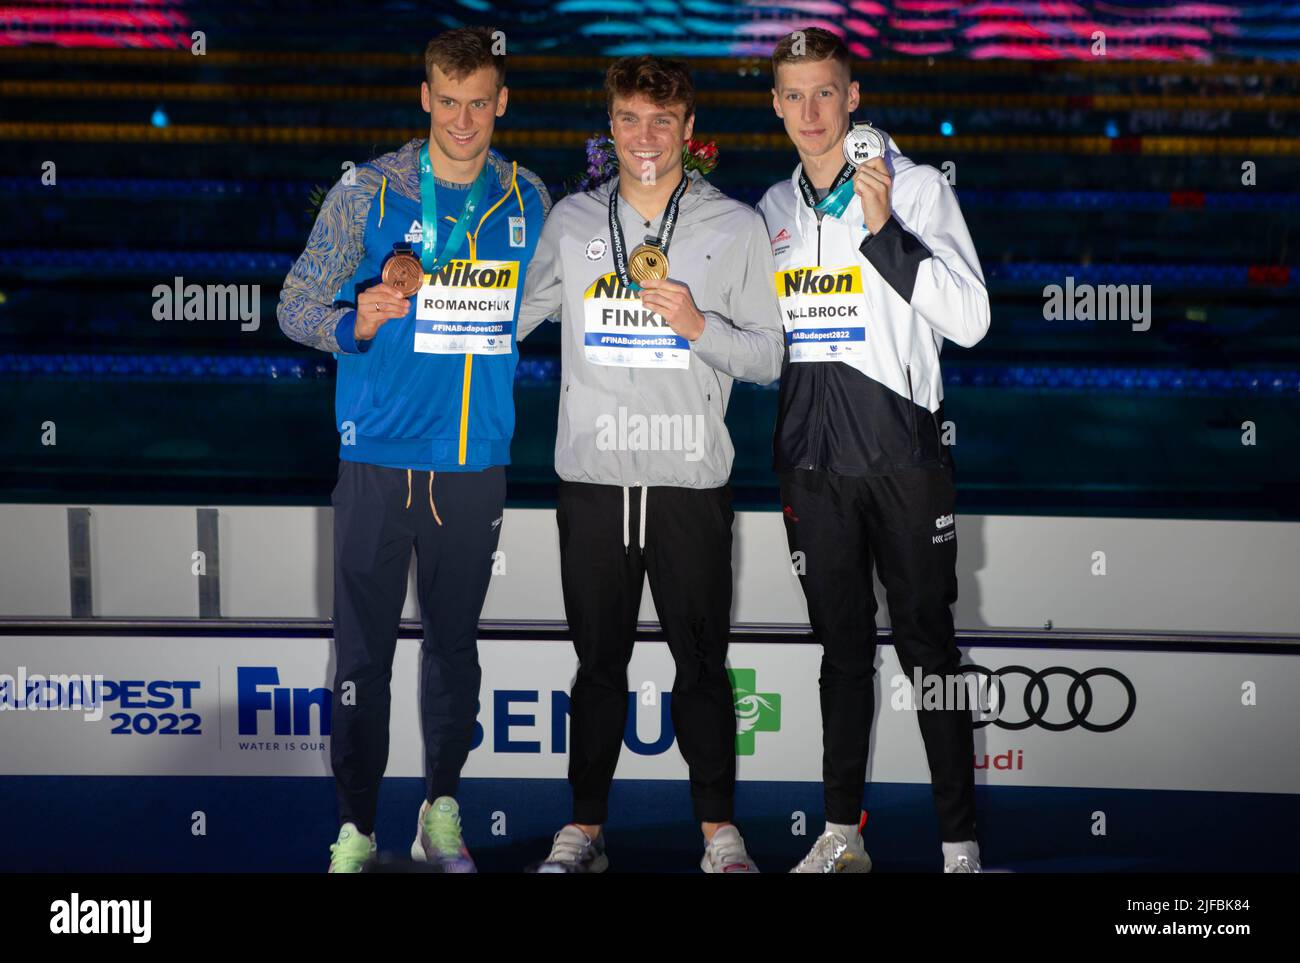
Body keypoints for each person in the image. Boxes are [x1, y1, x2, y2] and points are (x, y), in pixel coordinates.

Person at [276, 25, 551, 873]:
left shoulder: (528, 197)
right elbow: (293, 305)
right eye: (448, 101)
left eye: (480, 103)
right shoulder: (367, 192)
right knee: (361, 655)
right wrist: (353, 320)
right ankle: (356, 824)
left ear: (500, 101)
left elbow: (546, 305)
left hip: (473, 463)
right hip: (375, 459)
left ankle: (442, 808)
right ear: (424, 97)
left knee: (454, 649)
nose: (463, 121)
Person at [516, 55, 784, 873]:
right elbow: (508, 320)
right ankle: (585, 828)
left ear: (688, 131)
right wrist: (422, 294)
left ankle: (718, 831)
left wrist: (700, 325)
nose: (645, 137)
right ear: (611, 126)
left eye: (661, 122)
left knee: (702, 666)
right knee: (597, 667)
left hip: (689, 483)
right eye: (630, 119)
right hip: (594, 482)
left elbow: (770, 357)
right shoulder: (569, 223)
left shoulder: (733, 228)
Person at [757, 27, 991, 873]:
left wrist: (885, 226)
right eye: (795, 95)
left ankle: (959, 843)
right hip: (811, 468)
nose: (811, 111)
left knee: (930, 649)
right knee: (841, 653)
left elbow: (971, 319)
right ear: (776, 105)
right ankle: (840, 832)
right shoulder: (772, 211)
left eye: (827, 92)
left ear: (853, 97)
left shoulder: (919, 188)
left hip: (902, 458)